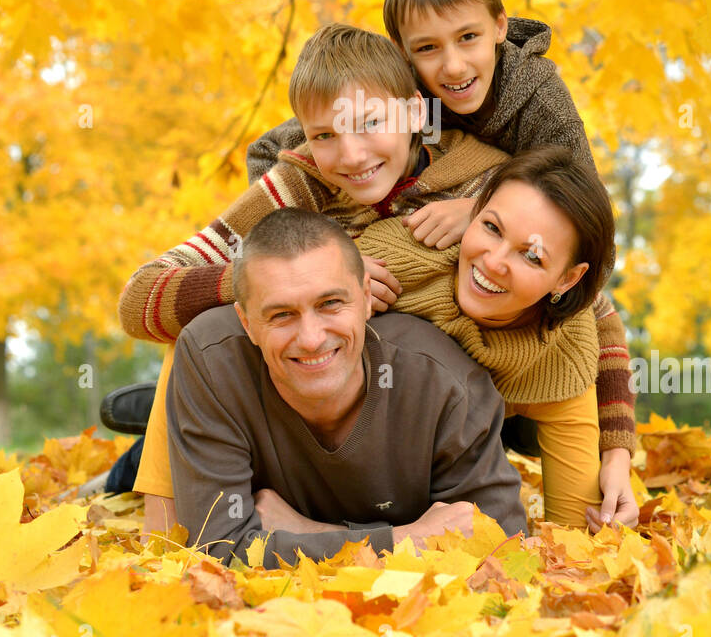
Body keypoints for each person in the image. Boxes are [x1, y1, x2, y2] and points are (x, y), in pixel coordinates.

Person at [114, 24, 634, 532]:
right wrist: (263, 281)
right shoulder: (300, 185)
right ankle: (162, 517)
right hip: (340, 384)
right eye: (325, 135)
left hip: (495, 385)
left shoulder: (483, 189)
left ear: (414, 111)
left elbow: (593, 311)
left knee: (578, 530)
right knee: (202, 334)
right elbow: (140, 299)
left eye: (369, 125)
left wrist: (617, 448)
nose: (353, 155)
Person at [165, 209, 528, 567]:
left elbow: (504, 551)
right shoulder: (211, 357)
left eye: (330, 304)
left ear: (367, 297)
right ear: (246, 322)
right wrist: (406, 539)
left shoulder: (446, 384)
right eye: (281, 315)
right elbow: (217, 551)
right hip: (223, 434)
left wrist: (306, 531)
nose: (311, 339)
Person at [355, 146, 632, 529]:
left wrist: (616, 459)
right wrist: (331, 281)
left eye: (531, 256)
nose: (494, 262)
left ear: (568, 279)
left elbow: (572, 535)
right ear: (474, 210)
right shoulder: (397, 256)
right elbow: (261, 292)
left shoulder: (565, 355)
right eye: (491, 228)